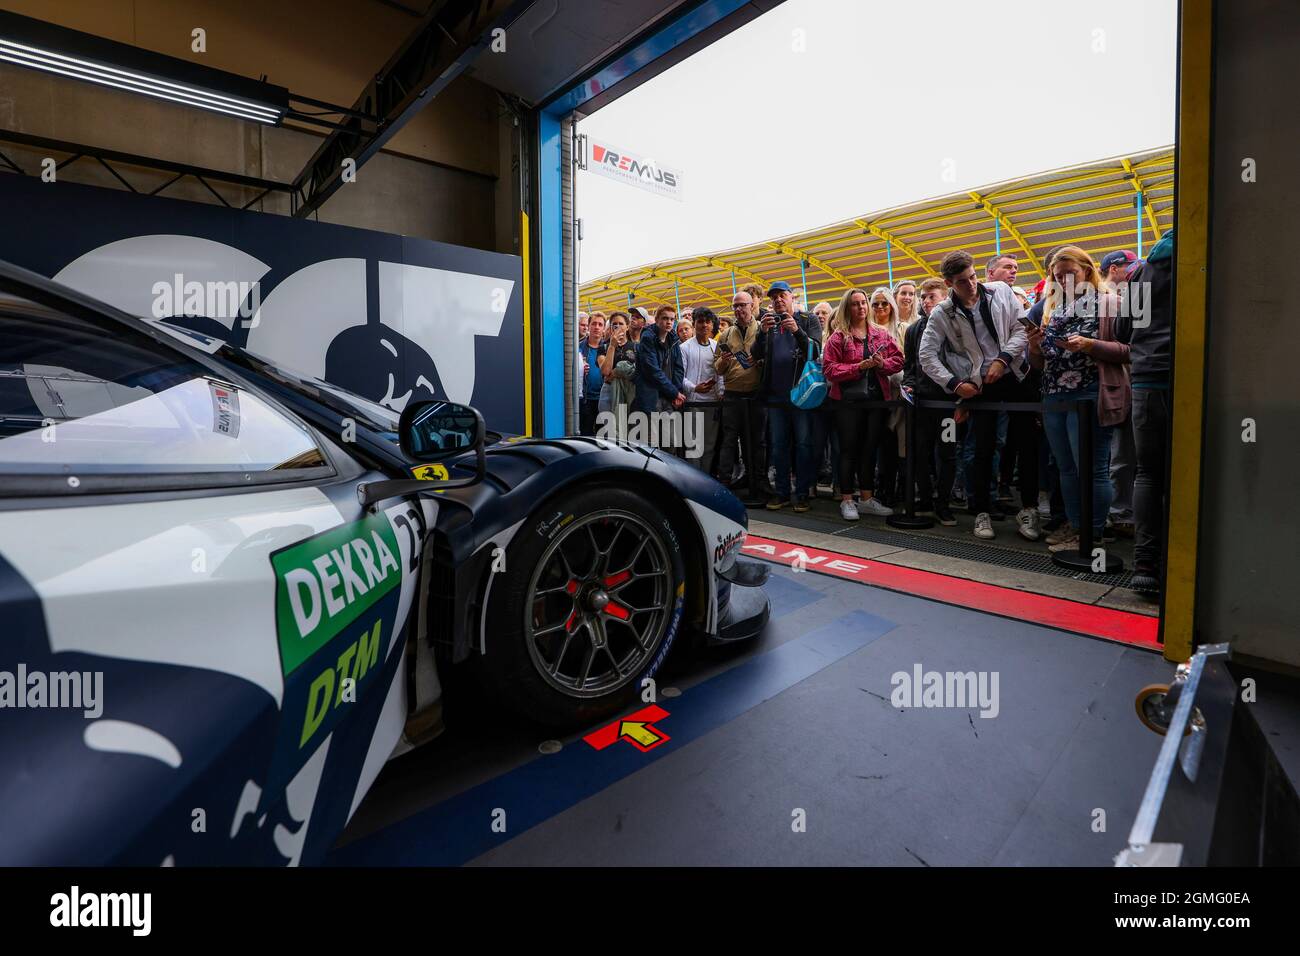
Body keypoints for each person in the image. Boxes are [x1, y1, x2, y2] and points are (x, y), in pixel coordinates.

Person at [919, 250, 1037, 541]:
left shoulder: (1001, 292)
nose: (971, 284)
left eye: (972, 277)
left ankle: (1030, 510)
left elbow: (1020, 330)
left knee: (1026, 444)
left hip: (1017, 375)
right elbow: (926, 355)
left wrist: (1003, 359)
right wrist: (956, 385)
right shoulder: (942, 312)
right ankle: (981, 511)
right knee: (981, 448)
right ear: (949, 283)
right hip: (979, 384)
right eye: (962, 281)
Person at [1025, 245, 1130, 553]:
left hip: (1091, 393)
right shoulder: (1051, 308)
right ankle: (1075, 525)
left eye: (1070, 274)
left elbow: (1130, 351)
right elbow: (1040, 363)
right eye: (1058, 276)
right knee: (1066, 467)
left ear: (1087, 270)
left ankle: (1092, 533)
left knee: (1092, 467)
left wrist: (1090, 345)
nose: (1064, 281)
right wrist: (1034, 347)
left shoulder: (1111, 303)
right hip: (1055, 394)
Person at [1113, 230, 1173, 594]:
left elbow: (1123, 329)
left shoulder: (1144, 273)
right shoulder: (1213, 254)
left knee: (1147, 473)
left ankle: (1146, 565)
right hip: (1197, 377)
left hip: (1150, 378)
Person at [823, 289, 903, 520]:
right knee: (848, 450)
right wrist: (859, 367)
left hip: (876, 401)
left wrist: (881, 364)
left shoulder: (881, 334)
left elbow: (898, 361)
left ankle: (867, 499)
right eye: (855, 304)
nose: (861, 307)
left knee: (869, 451)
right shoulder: (838, 337)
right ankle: (847, 499)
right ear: (847, 308)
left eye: (863, 303)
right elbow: (829, 369)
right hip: (847, 403)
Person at [752, 280, 822, 512]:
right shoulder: (768, 325)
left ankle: (802, 493)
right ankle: (781, 493)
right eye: (774, 297)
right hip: (775, 397)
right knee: (779, 446)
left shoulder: (807, 319)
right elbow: (755, 354)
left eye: (782, 295)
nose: (778, 300)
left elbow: (816, 350)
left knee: (803, 444)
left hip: (800, 395)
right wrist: (761, 334)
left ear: (792, 297)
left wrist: (797, 331)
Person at [904, 279, 958, 526]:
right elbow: (910, 366)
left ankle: (943, 504)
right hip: (921, 404)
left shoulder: (957, 325)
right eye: (923, 297)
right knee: (920, 452)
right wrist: (909, 385)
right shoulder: (914, 329)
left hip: (948, 404)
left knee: (947, 453)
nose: (926, 301)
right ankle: (925, 498)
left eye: (931, 296)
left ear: (945, 297)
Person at [1100, 251, 1140, 540]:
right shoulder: (1112, 302)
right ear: (1114, 269)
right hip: (1112, 385)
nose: (1134, 274)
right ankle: (1116, 512)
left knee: (1122, 452)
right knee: (1118, 453)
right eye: (1130, 268)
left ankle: (1118, 511)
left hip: (1122, 384)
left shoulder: (1131, 301)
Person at [715, 291, 767, 504]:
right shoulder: (726, 334)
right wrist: (725, 361)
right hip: (732, 395)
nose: (738, 309)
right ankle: (724, 484)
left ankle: (758, 483)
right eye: (735, 306)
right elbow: (717, 368)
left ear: (752, 306)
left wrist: (761, 363)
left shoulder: (762, 330)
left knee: (757, 442)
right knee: (729, 441)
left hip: (756, 395)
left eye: (742, 305)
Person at [680, 306, 724, 471]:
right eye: (700, 322)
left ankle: (705, 479)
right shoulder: (684, 348)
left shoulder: (716, 346)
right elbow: (680, 377)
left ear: (712, 325)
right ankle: (694, 483)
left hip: (713, 404)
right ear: (694, 325)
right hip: (693, 404)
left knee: (709, 445)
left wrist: (720, 393)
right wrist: (694, 388)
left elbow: (720, 373)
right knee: (693, 447)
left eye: (707, 322)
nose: (704, 325)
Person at [634, 305, 685, 428]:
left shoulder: (673, 339)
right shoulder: (647, 338)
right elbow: (652, 370)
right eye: (665, 318)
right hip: (651, 396)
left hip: (669, 397)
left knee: (671, 441)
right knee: (652, 440)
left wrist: (676, 392)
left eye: (672, 319)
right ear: (656, 320)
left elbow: (679, 368)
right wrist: (675, 392)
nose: (668, 322)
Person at [599, 310, 638, 437]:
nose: (617, 326)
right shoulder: (604, 347)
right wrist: (612, 346)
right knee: (611, 432)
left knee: (629, 432)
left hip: (630, 393)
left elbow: (638, 372)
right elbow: (605, 371)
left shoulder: (636, 347)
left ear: (627, 326)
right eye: (614, 324)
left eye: (620, 323)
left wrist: (617, 372)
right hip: (609, 393)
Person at [576, 312, 607, 435]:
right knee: (585, 435)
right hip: (585, 400)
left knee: (603, 438)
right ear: (588, 326)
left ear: (604, 328)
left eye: (600, 324)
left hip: (604, 399)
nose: (597, 327)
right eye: (594, 323)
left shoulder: (609, 348)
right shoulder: (578, 348)